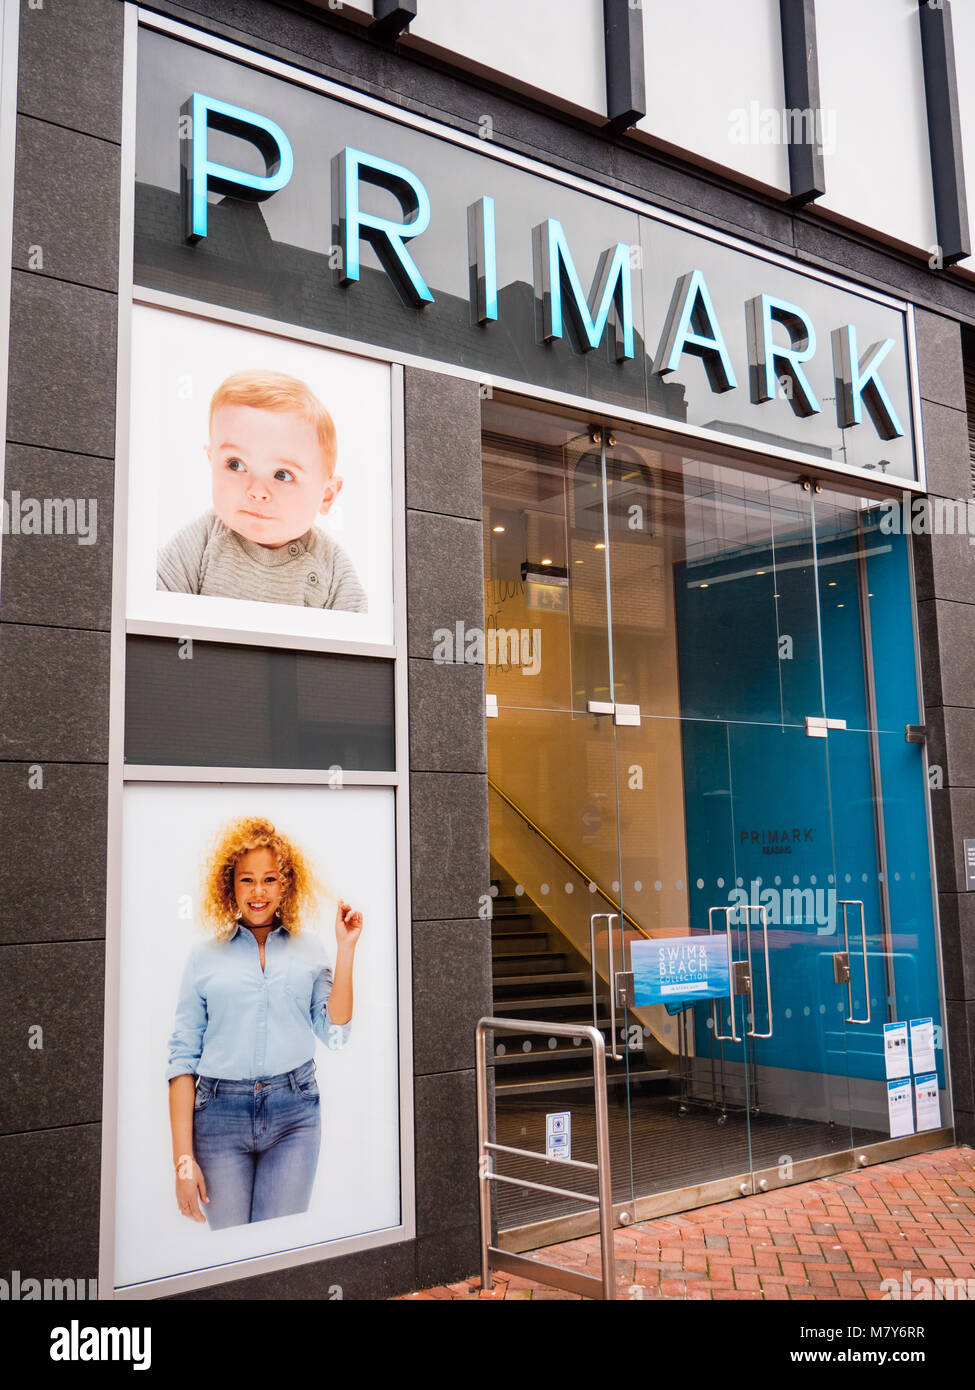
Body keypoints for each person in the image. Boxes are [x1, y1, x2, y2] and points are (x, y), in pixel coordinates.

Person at [167, 816, 363, 1230]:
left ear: (285, 884)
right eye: (247, 880)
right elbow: (182, 1060)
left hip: (295, 1114)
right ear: (230, 886)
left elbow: (336, 1033)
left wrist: (345, 949)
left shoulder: (309, 950)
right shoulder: (204, 958)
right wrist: (183, 1161)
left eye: (270, 879)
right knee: (235, 1254)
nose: (258, 892)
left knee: (279, 1247)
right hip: (220, 1117)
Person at [156, 369, 367, 612]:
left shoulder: (331, 567)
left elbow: (359, 643)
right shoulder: (199, 543)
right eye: (235, 464)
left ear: (327, 495)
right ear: (211, 461)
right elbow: (152, 611)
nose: (256, 491)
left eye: (282, 475)